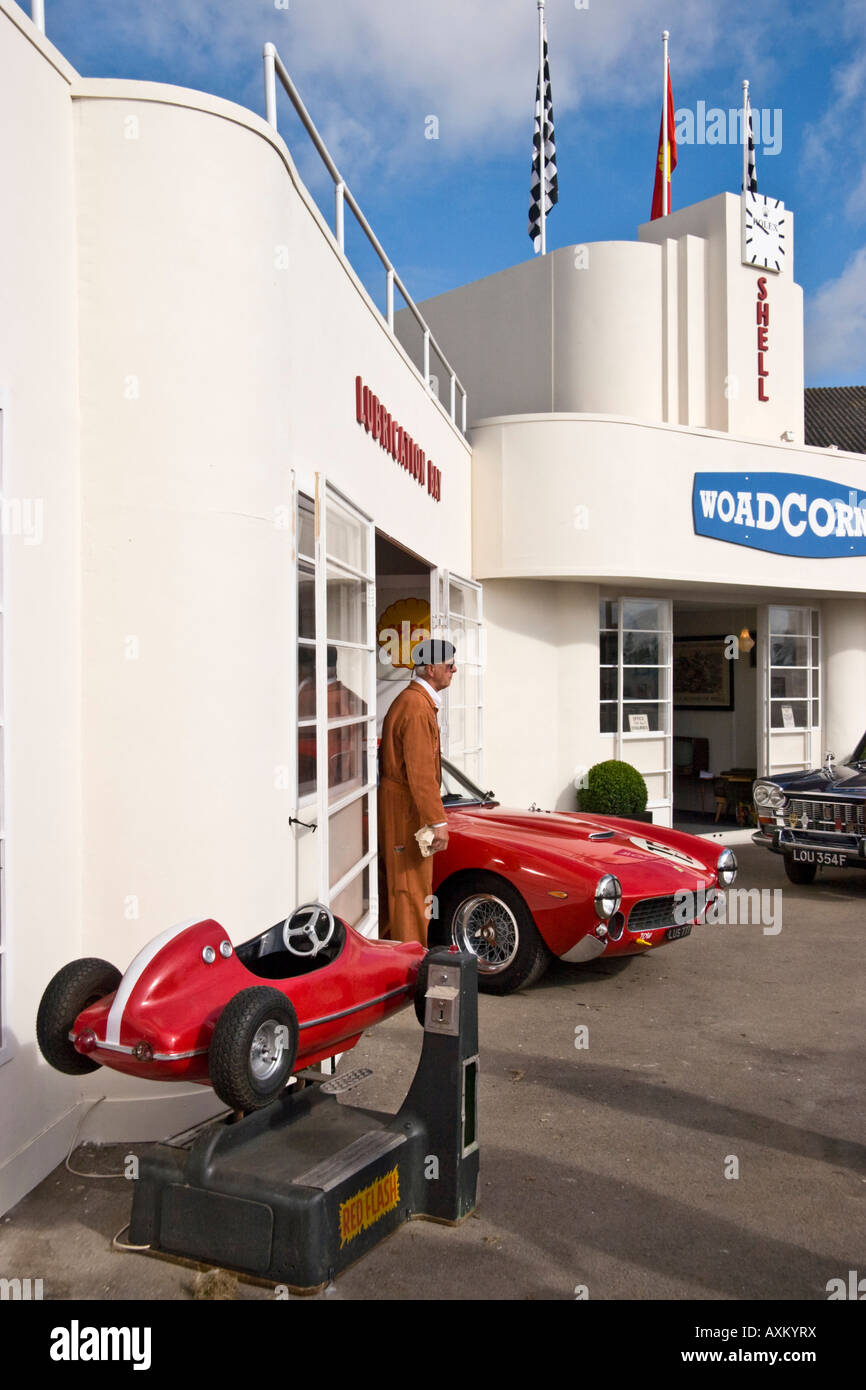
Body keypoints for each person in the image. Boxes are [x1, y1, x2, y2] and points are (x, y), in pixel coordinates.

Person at [378, 638, 457, 945]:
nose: (454, 670)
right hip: (406, 809)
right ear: (431, 668)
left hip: (405, 805)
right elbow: (421, 772)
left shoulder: (416, 702)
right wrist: (437, 822)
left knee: (409, 888)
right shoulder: (415, 705)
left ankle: (403, 958)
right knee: (410, 889)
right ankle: (410, 967)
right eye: (449, 665)